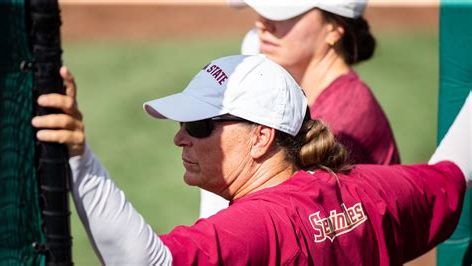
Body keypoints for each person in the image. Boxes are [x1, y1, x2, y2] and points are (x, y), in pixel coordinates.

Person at [32, 55, 470, 265]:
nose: (179, 138)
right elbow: (454, 171)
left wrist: (78, 158)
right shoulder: (368, 191)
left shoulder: (262, 227)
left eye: (200, 125)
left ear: (261, 136)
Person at [200, 0, 401, 218]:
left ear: (333, 30)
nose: (262, 24)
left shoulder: (341, 119)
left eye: (282, 14)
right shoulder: (307, 97)